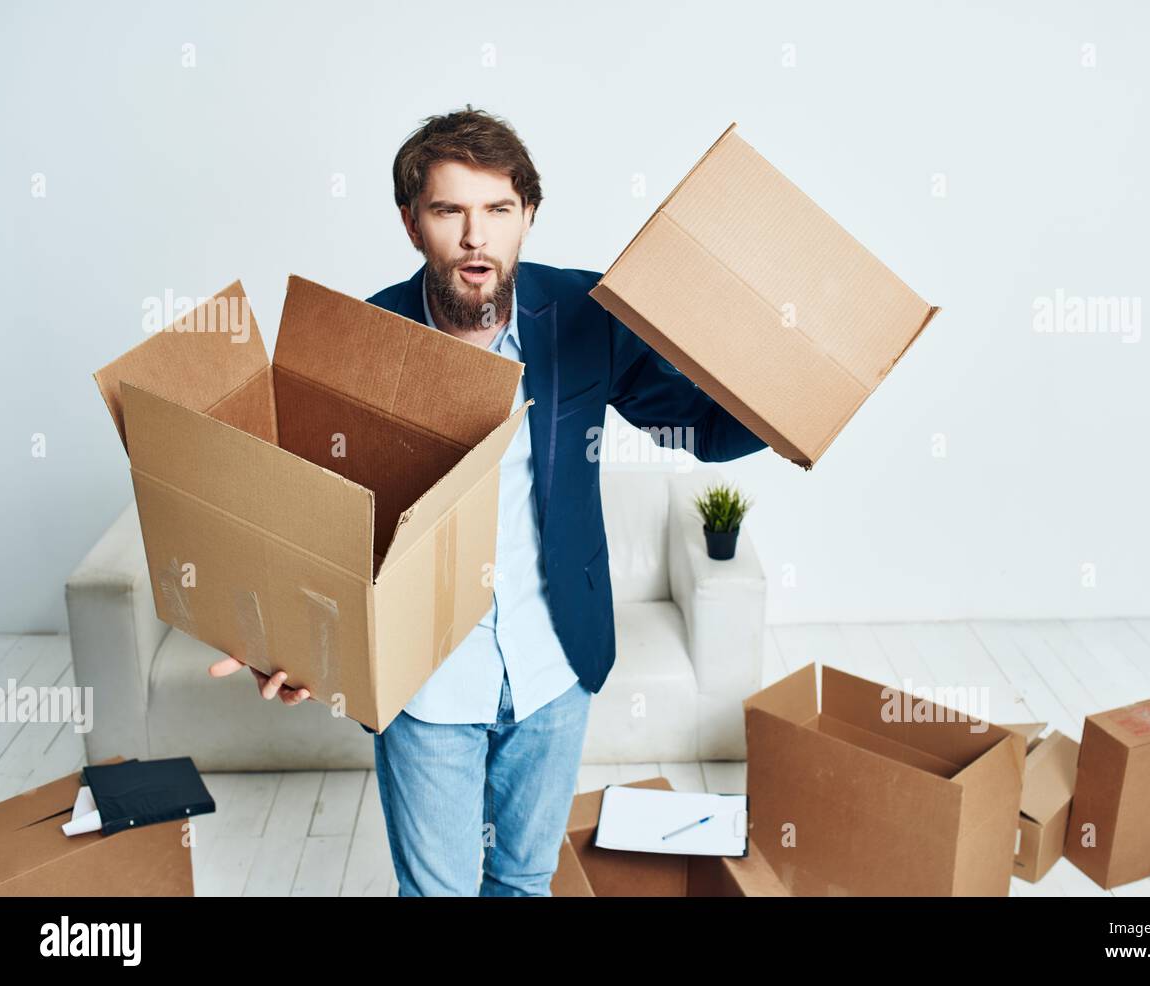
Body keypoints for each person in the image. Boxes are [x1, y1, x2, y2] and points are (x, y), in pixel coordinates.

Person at [208, 106, 765, 895]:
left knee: (525, 883)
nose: (477, 236)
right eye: (450, 211)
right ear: (412, 224)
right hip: (426, 681)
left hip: (554, 666)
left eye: (499, 210)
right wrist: (286, 639)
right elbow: (311, 514)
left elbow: (697, 429)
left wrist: (792, 400)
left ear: (527, 216)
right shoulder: (358, 339)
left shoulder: (584, 314)